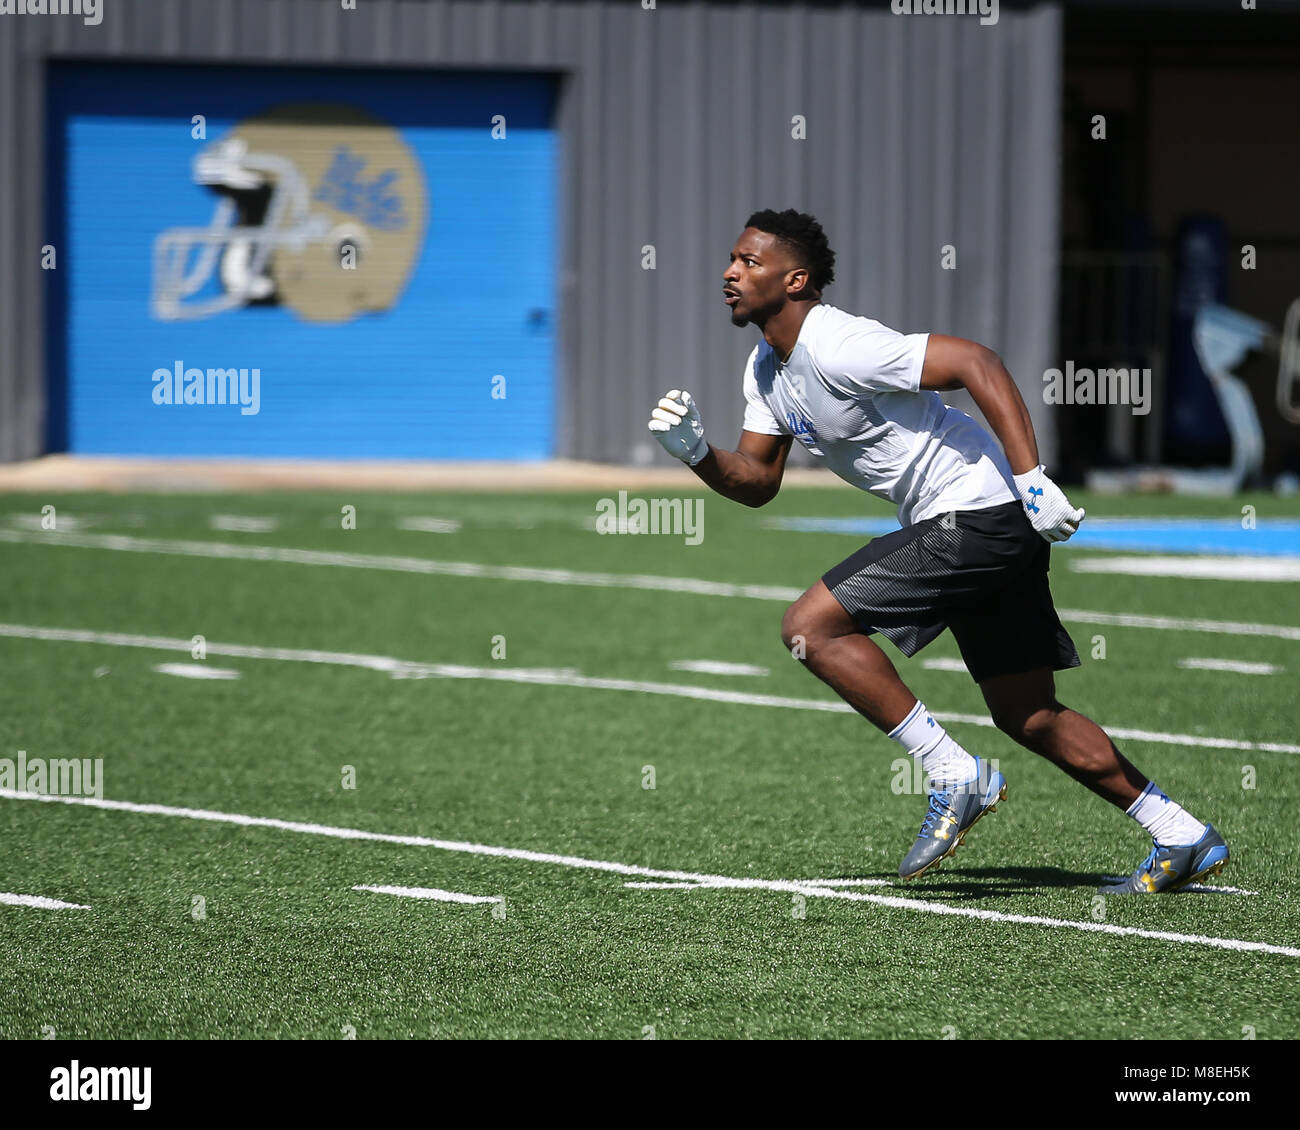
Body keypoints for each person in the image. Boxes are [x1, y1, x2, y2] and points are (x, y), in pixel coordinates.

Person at [647, 208, 1228, 893]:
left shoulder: (839, 344)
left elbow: (976, 362)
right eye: (733, 259)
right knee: (1028, 712)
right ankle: (1181, 832)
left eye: (748, 261)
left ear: (795, 278)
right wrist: (696, 454)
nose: (729, 272)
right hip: (977, 520)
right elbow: (757, 482)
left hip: (977, 511)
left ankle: (956, 774)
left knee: (810, 627)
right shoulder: (765, 370)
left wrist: (1032, 477)